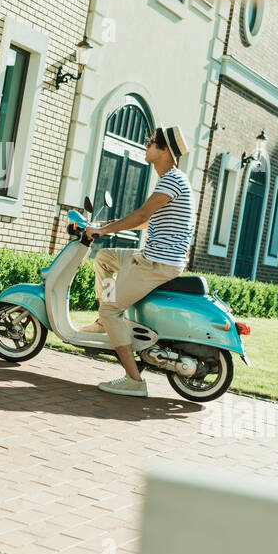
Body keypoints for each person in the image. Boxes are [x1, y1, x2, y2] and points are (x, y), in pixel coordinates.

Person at [82, 124, 194, 398]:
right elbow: (146, 220)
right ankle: (102, 322)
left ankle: (133, 380)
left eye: (150, 142)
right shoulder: (173, 179)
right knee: (106, 257)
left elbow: (141, 213)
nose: (146, 145)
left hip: (156, 263)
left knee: (112, 310)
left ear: (164, 150)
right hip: (158, 257)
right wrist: (103, 225)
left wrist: (103, 230)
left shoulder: (170, 179)